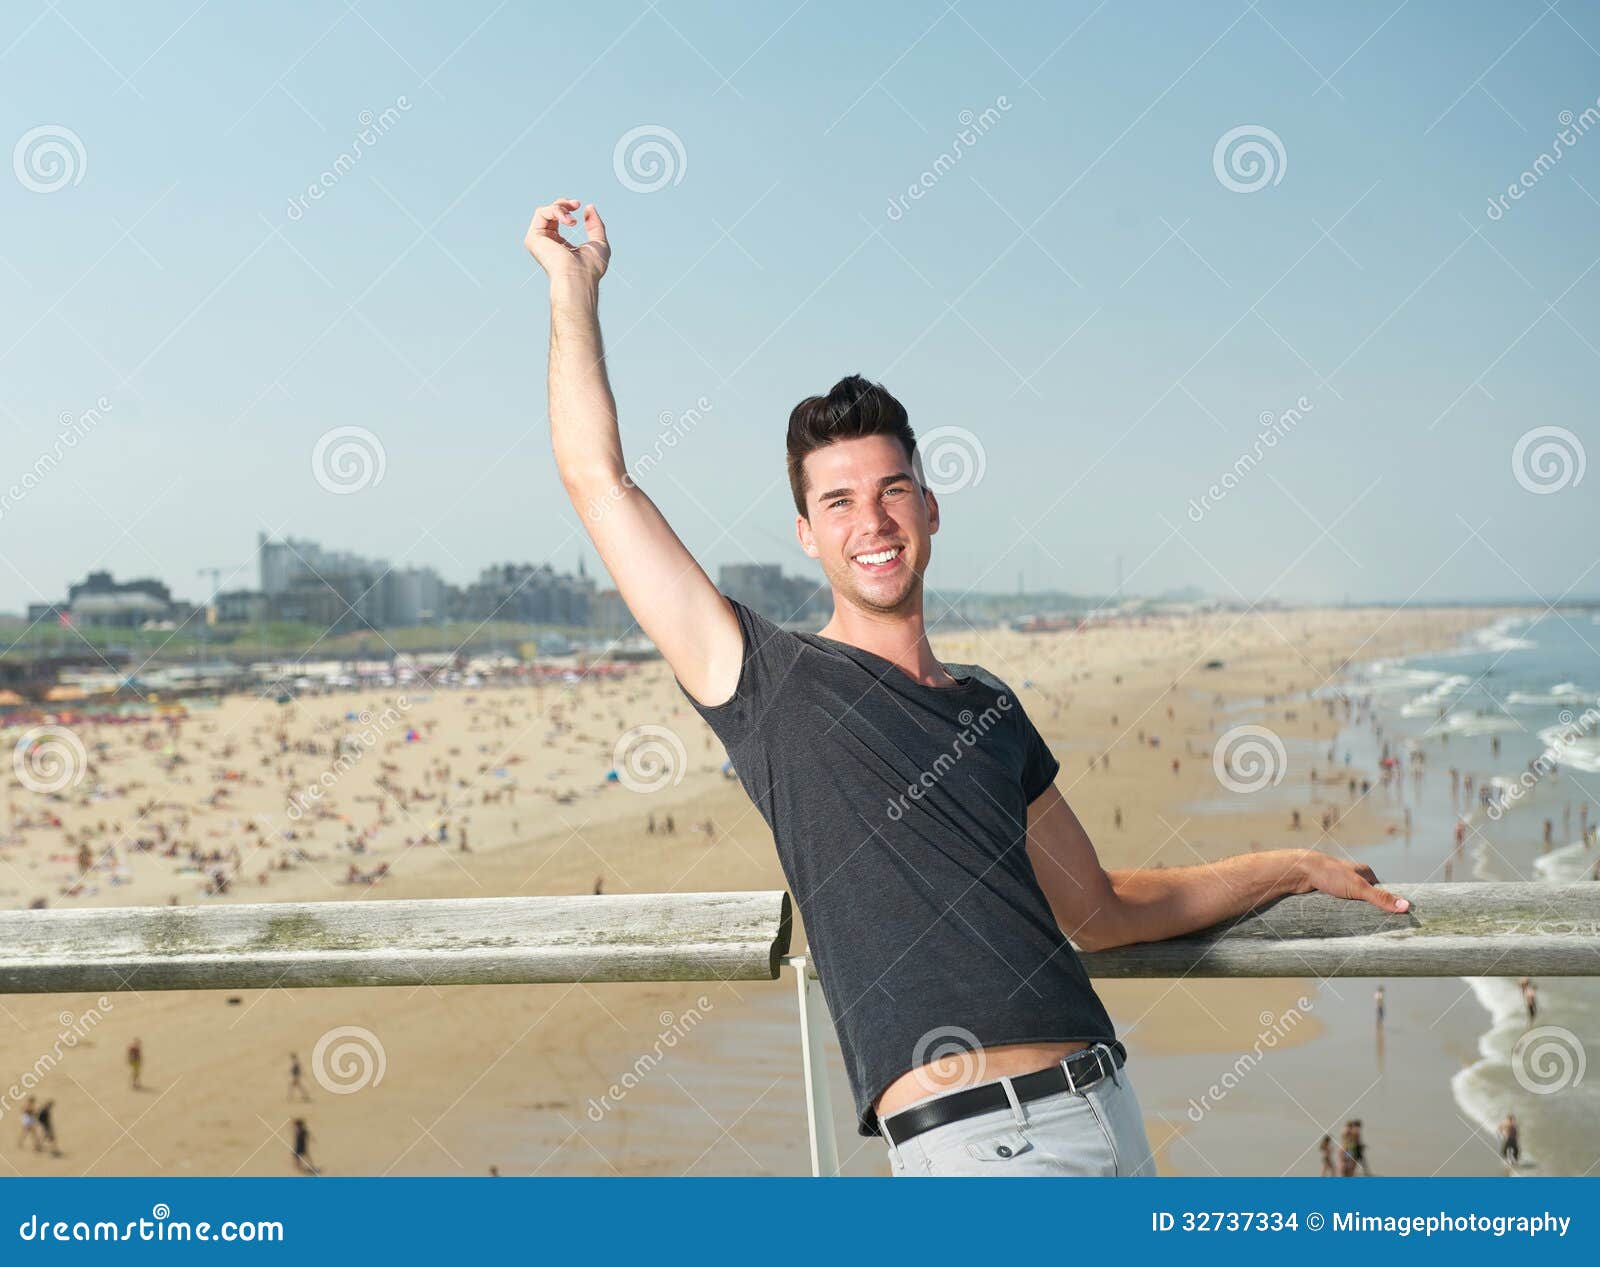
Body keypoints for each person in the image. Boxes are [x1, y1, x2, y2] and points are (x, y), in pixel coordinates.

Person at [524, 197, 1413, 1179]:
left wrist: (1287, 866)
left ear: (929, 507)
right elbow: (597, 482)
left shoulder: (988, 707)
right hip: (981, 1147)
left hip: (1109, 1107)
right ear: (806, 535)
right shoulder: (768, 681)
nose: (871, 520)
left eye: (890, 490)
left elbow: (1105, 908)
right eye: (837, 501)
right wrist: (575, 288)